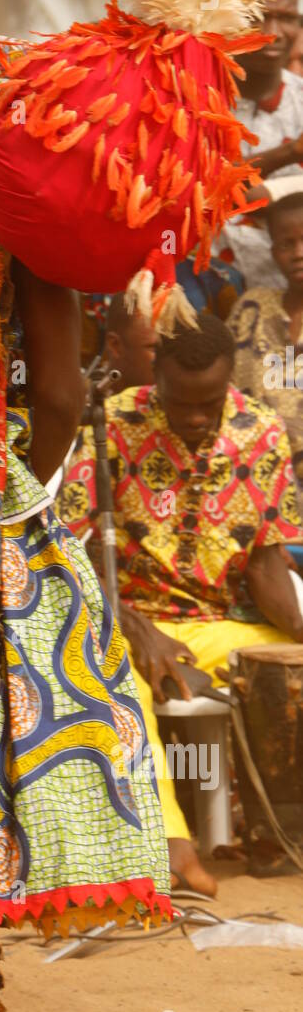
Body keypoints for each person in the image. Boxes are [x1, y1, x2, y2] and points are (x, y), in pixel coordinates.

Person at [60, 313, 303, 889]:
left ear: (229, 386)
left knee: (288, 676)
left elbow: (268, 568)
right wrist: (136, 628)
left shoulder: (263, 431)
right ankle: (172, 842)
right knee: (116, 680)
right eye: (180, 403)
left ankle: (275, 836)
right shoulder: (111, 422)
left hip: (222, 622)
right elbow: (70, 551)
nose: (195, 418)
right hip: (132, 619)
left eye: (209, 404)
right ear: (156, 378)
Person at [217, 0, 303, 288]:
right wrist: (290, 153)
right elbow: (206, 196)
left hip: (290, 316)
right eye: (259, 17)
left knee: (284, 345)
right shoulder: (195, 105)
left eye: (287, 18)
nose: (273, 33)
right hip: (212, 310)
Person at [226, 191, 303, 513]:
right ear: (272, 251)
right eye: (286, 244)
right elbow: (222, 395)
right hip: (255, 490)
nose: (298, 253)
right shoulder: (251, 308)